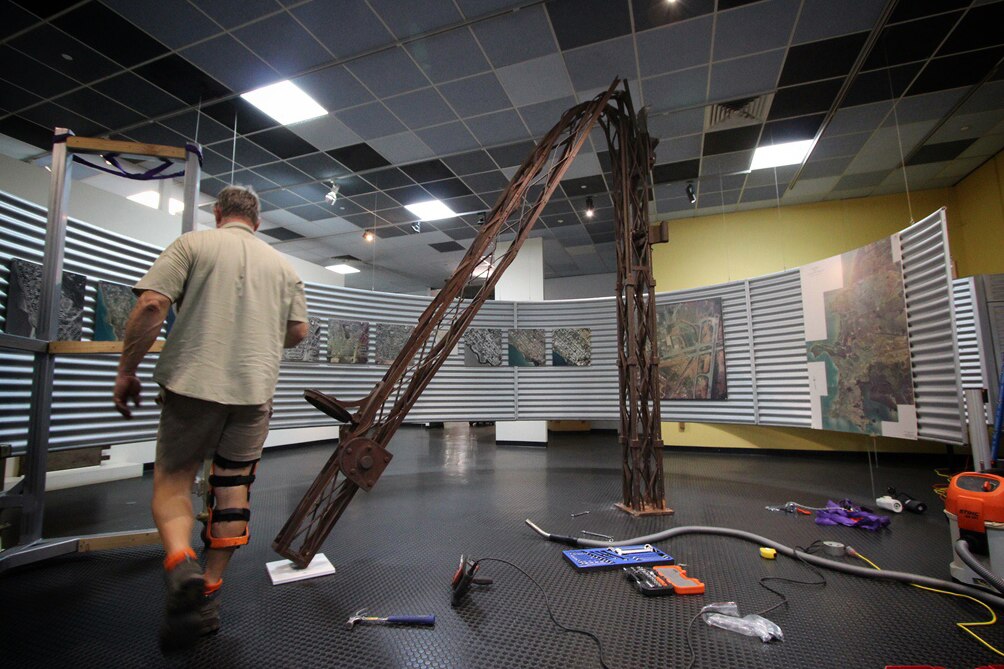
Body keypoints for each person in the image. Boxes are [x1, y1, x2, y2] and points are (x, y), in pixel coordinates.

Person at [113, 185, 308, 652]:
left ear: (218, 213)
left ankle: (182, 562)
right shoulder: (283, 267)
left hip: (192, 386)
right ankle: (208, 603)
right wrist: (257, 338)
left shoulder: (192, 244)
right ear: (257, 222)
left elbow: (151, 304)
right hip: (253, 394)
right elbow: (298, 332)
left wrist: (127, 370)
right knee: (232, 493)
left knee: (175, 482)